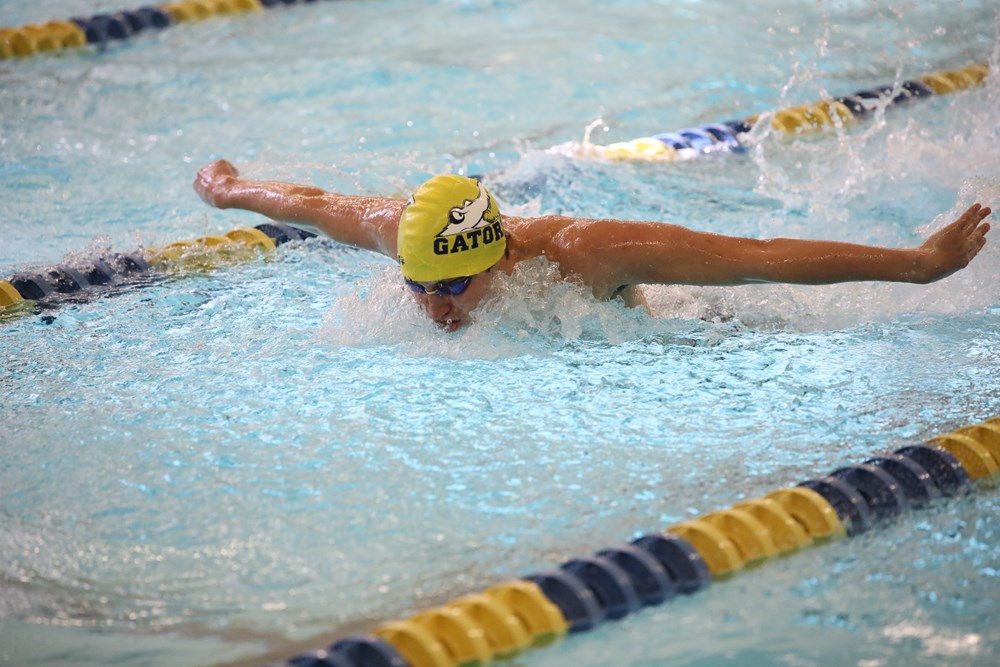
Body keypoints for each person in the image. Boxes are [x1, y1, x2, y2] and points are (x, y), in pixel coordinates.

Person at [194, 159, 991, 331]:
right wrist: (231, 191)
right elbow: (314, 204)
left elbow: (758, 256)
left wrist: (921, 268)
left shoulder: (589, 254)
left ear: (499, 256)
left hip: (659, 336)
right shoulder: (411, 237)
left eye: (455, 290)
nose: (435, 308)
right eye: (419, 288)